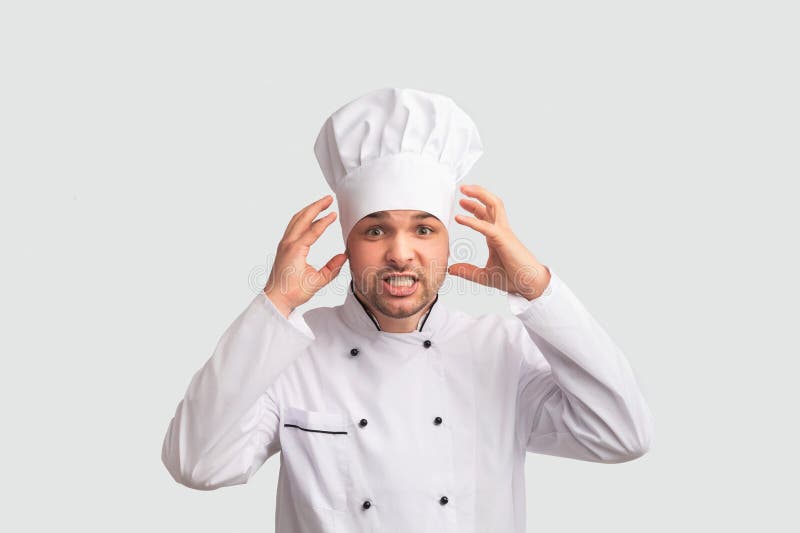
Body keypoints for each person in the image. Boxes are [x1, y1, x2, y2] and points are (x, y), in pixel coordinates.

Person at [161, 87, 655, 533]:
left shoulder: (500, 350)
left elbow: (621, 435)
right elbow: (196, 464)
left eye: (424, 229)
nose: (400, 253)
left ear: (447, 242)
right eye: (375, 230)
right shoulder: (292, 352)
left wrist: (536, 289)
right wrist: (276, 301)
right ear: (347, 243)